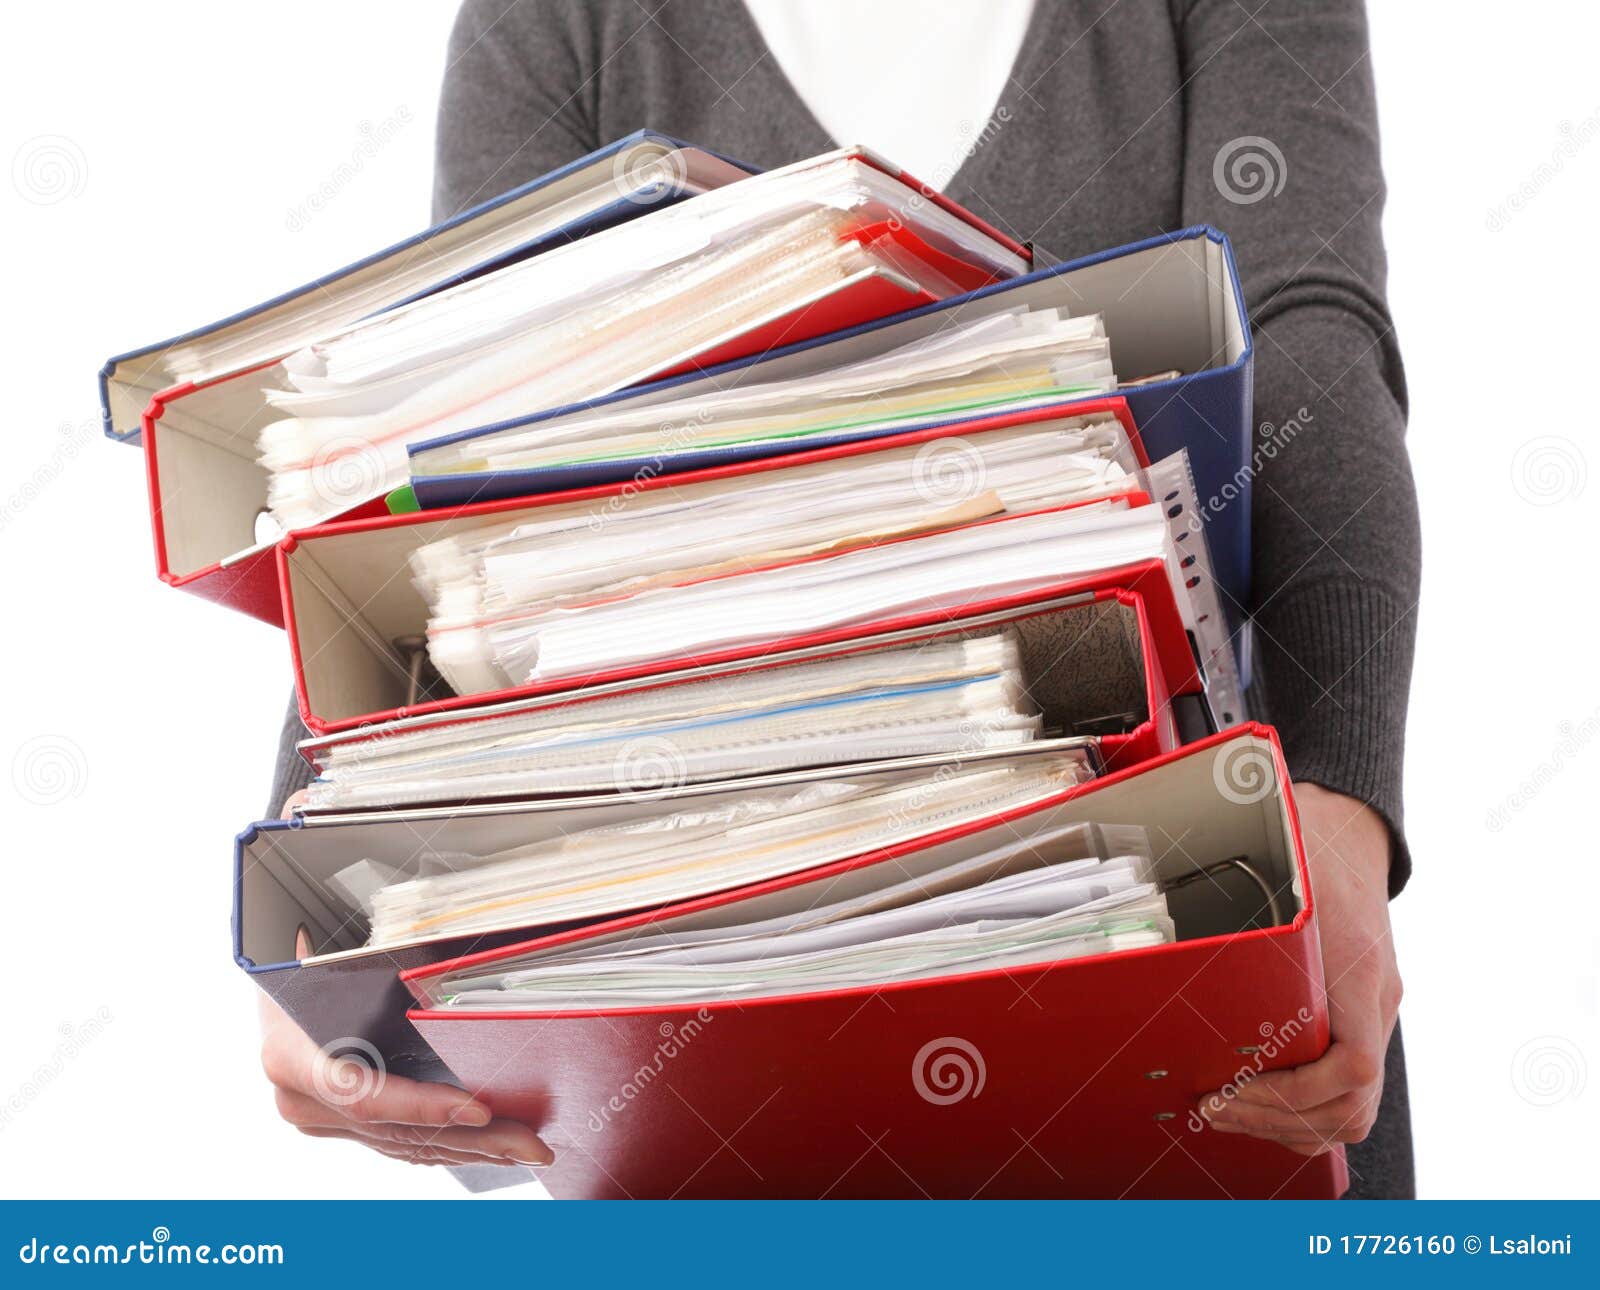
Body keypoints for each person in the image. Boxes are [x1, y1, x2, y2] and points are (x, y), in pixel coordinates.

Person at [260, 0, 1419, 1196]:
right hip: (708, 1037)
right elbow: (453, 456)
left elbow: (1308, 339)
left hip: (1197, 963)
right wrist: (321, 885)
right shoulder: (563, 19)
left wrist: (1340, 810)